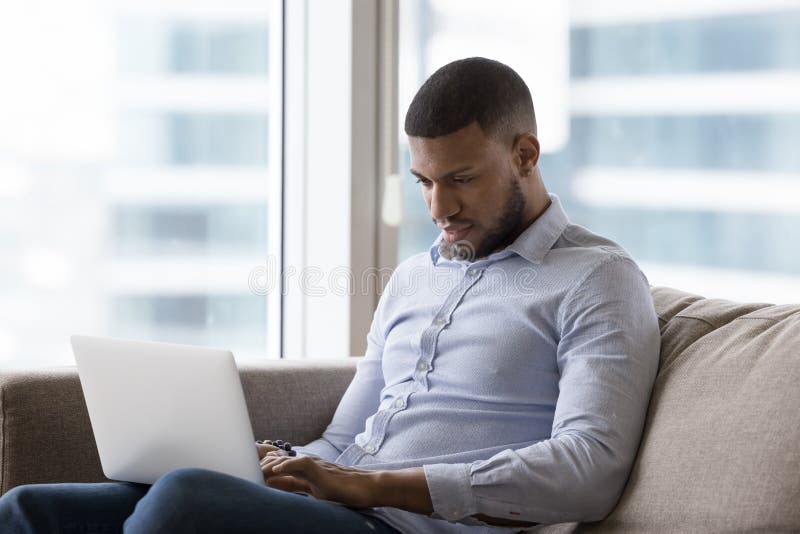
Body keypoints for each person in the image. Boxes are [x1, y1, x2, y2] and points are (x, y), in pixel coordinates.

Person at [0, 57, 660, 533]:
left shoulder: (597, 278)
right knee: (28, 510)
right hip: (335, 509)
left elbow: (590, 469)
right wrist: (284, 465)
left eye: (460, 178)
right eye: (423, 181)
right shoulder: (413, 277)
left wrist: (363, 486)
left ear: (525, 153)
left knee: (183, 502)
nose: (438, 207)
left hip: (409, 529)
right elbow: (346, 440)